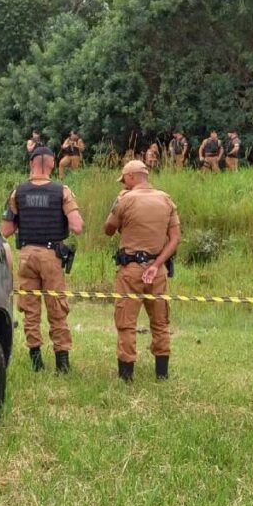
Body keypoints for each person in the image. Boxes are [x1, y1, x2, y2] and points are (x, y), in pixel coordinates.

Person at [2, 146, 84, 373]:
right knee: (57, 307)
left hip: (26, 255)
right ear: (50, 163)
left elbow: (6, 230)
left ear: (31, 163)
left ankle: (36, 362)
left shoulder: (17, 192)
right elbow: (77, 226)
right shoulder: (62, 191)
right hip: (51, 255)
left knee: (30, 309)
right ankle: (62, 363)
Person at [103, 159, 181, 382]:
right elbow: (175, 238)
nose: (124, 184)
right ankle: (162, 375)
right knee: (160, 323)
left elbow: (108, 230)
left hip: (130, 270)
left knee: (126, 323)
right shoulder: (166, 200)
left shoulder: (124, 199)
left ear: (131, 177)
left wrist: (117, 203)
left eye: (124, 179)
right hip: (158, 271)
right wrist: (156, 265)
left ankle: (126, 377)